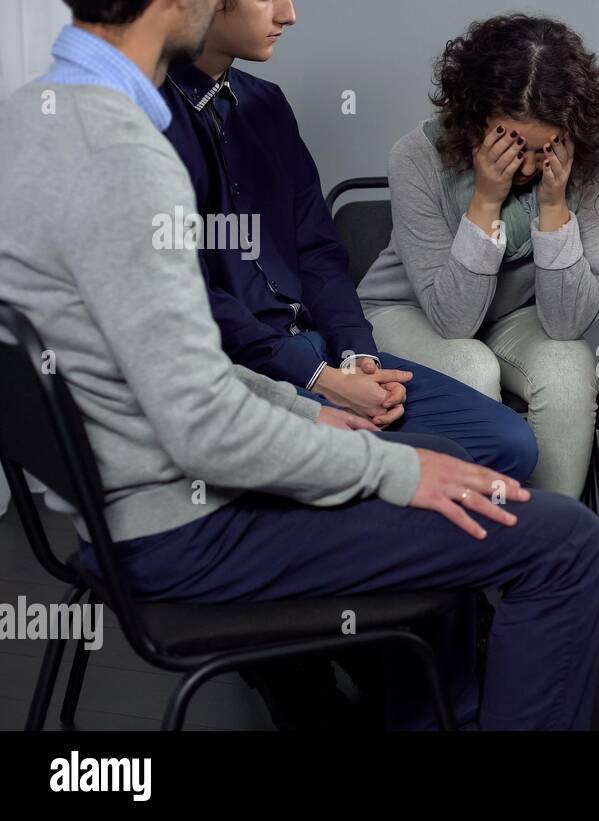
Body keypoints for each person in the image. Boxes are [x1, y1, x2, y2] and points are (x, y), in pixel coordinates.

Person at [0, 0, 599, 731]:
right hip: (185, 532)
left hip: (127, 508)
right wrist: (390, 466)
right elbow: (205, 428)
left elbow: (177, 370)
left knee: (442, 454)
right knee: (568, 543)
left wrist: (314, 411)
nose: (287, 10)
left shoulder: (28, 116)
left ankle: (426, 712)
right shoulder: (127, 156)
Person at [159, 0, 538, 485]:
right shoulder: (149, 117)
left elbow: (317, 252)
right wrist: (320, 379)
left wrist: (358, 357)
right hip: (239, 373)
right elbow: (188, 296)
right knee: (431, 461)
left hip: (320, 350)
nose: (288, 14)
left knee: (508, 443)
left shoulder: (266, 106)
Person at [357, 14, 599, 499]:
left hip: (513, 316)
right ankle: (484, 544)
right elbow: (453, 321)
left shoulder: (589, 165)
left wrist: (555, 209)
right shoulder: (416, 157)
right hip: (411, 310)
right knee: (470, 365)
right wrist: (485, 203)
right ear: (475, 119)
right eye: (509, 145)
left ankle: (549, 542)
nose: (527, 166)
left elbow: (565, 323)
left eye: (544, 149)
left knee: (569, 364)